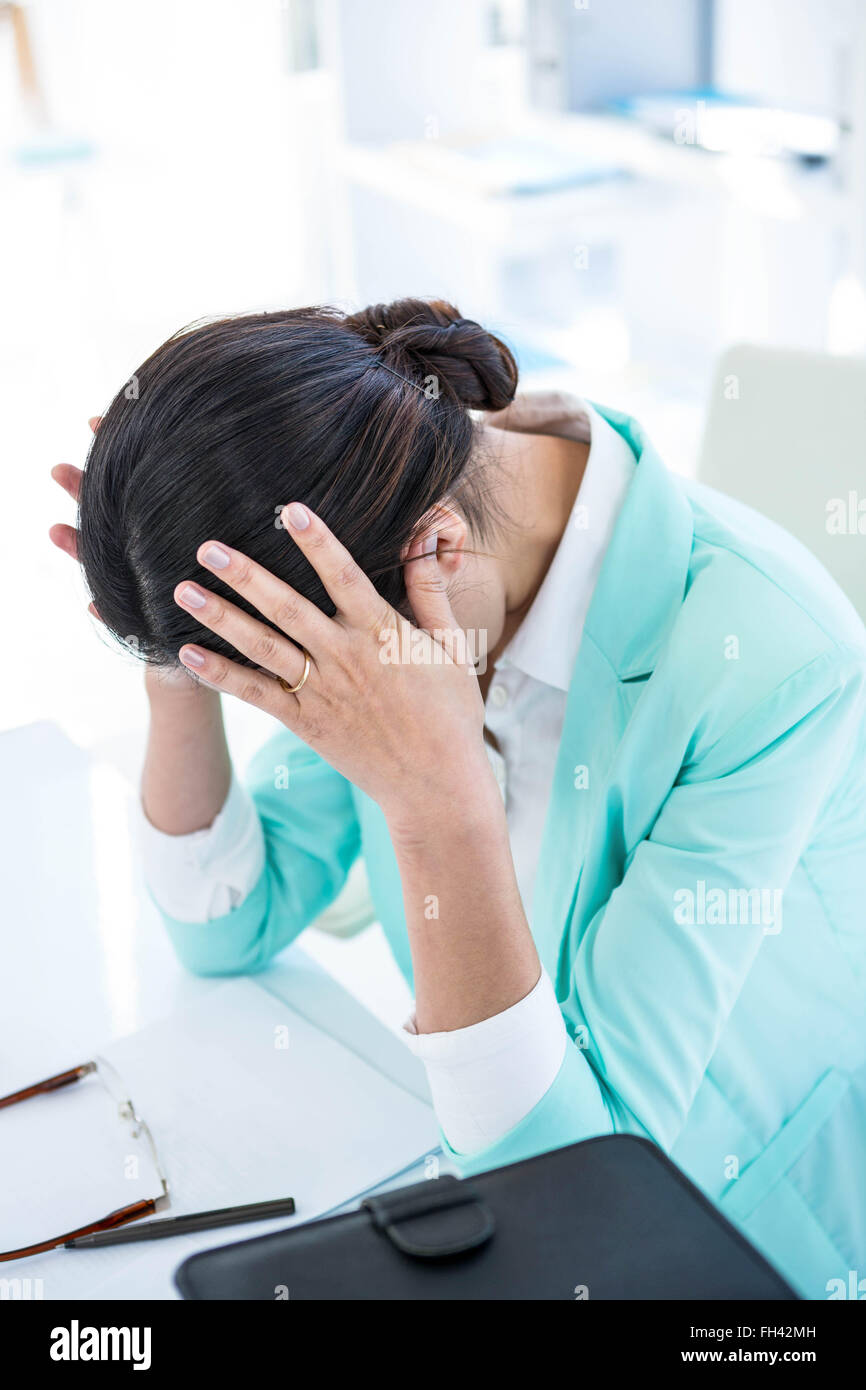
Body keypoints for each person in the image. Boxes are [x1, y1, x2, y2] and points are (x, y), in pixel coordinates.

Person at [51, 299, 866, 1299]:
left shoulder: (772, 664)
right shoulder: (381, 493)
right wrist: (177, 638)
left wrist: (438, 801)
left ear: (434, 558)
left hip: (738, 1241)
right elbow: (226, 922)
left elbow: (573, 1194)